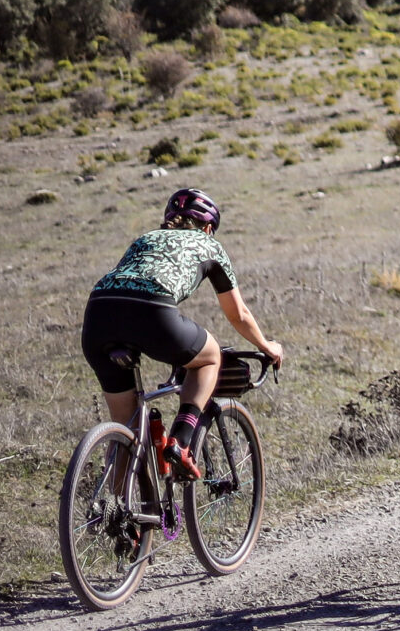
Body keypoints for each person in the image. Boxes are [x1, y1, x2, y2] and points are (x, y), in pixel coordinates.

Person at [80, 187, 283, 477]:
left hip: (98, 313)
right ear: (209, 227)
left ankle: (117, 513)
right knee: (210, 357)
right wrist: (267, 345)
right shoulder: (210, 245)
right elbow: (238, 314)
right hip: (151, 310)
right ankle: (181, 442)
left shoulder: (146, 238)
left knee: (126, 428)